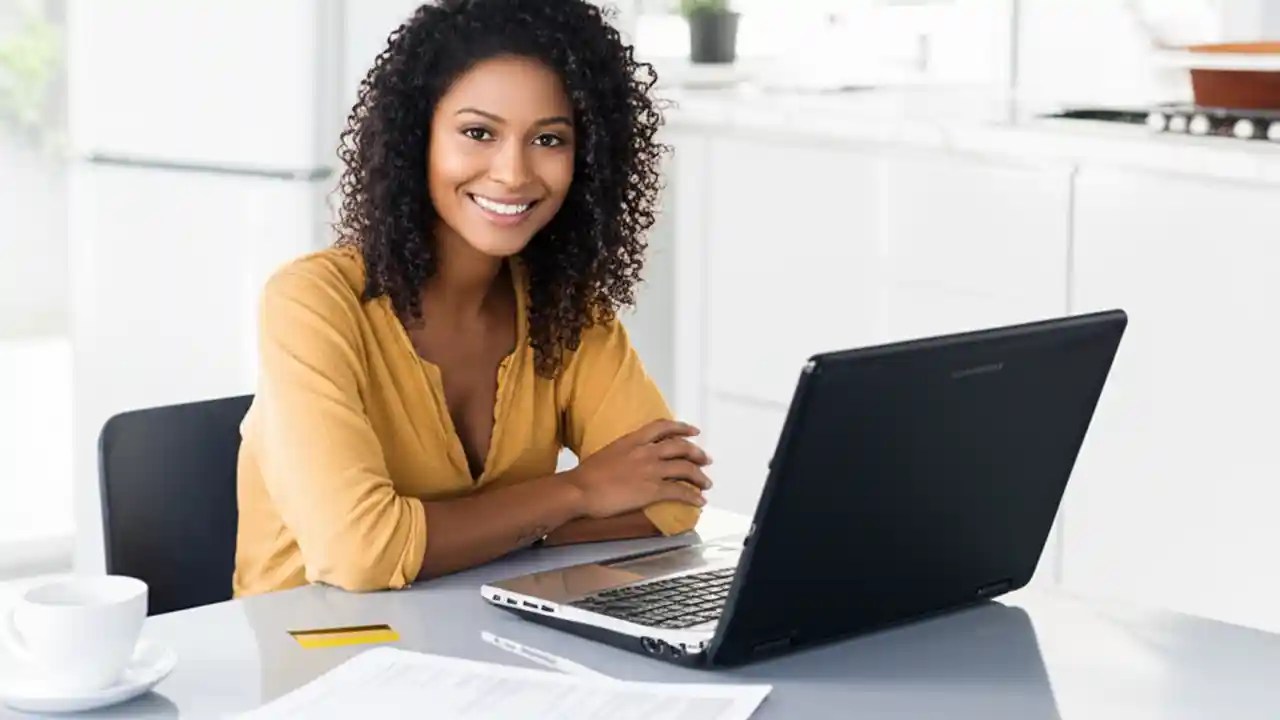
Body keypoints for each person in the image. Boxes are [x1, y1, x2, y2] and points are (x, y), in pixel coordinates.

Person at [232, 0, 712, 597]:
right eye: (478, 132)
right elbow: (360, 553)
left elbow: (671, 502)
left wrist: (471, 535)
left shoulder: (566, 309)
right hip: (317, 656)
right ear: (417, 139)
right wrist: (578, 492)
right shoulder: (312, 303)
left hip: (485, 648)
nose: (513, 173)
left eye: (548, 139)